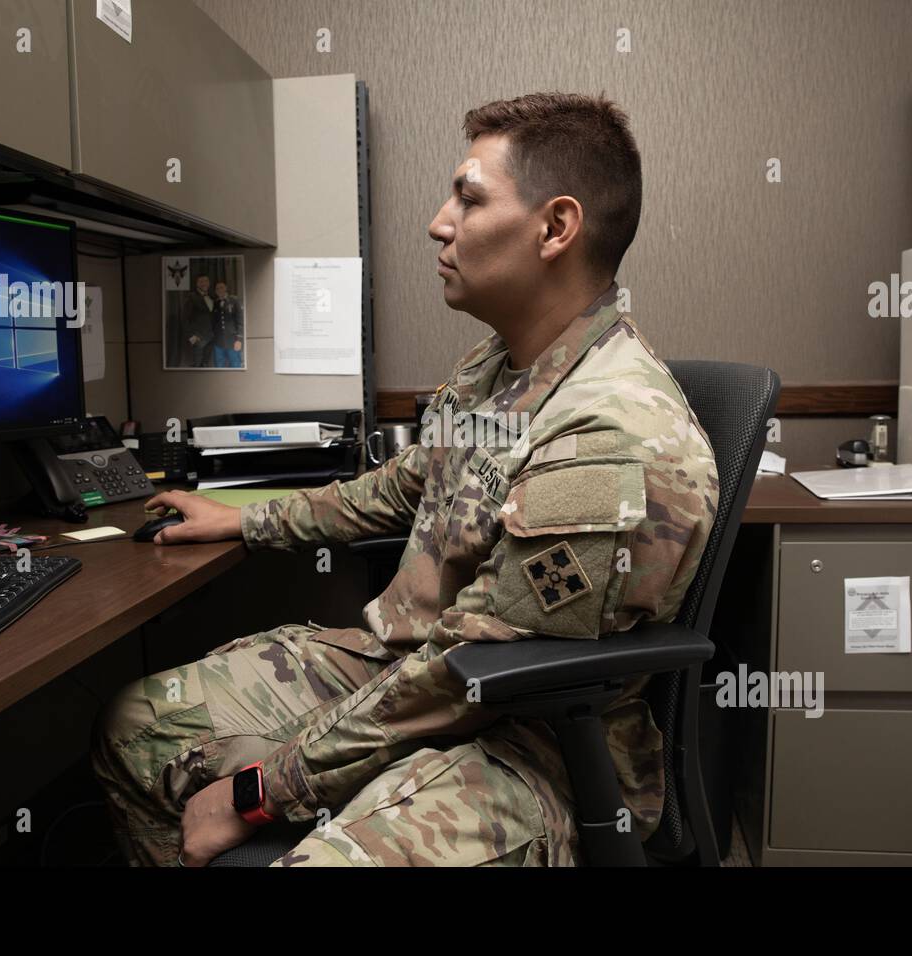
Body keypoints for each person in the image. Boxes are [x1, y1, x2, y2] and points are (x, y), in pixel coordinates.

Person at [93, 92, 718, 867]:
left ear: (555, 228)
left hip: (529, 743)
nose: (439, 221)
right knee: (138, 726)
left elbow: (470, 673)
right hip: (401, 673)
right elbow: (397, 489)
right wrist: (243, 519)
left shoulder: (610, 434)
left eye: (469, 197)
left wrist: (262, 790)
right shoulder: (493, 366)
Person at [179, 273, 214, 367]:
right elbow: (184, 319)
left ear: (209, 283)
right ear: (197, 284)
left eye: (206, 281)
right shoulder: (191, 297)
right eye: (201, 281)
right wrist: (192, 338)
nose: (204, 283)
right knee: (197, 367)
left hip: (211, 338)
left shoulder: (212, 297)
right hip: (198, 339)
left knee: (206, 367)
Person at [210, 279, 243, 368]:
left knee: (235, 365)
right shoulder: (215, 303)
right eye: (217, 288)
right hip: (218, 342)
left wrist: (239, 340)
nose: (219, 290)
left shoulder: (234, 301)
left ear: (226, 288)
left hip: (233, 341)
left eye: (221, 287)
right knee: (219, 367)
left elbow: (240, 321)